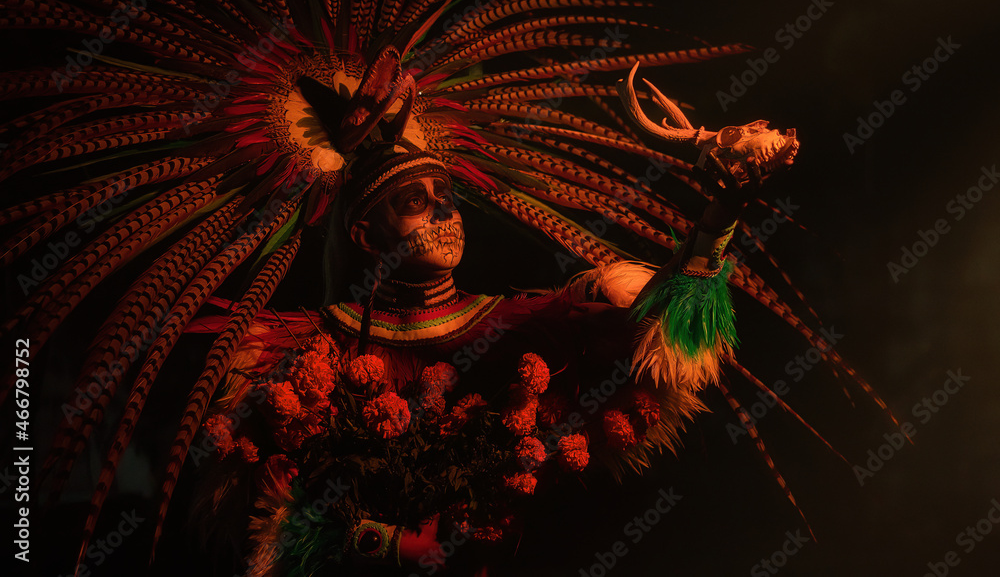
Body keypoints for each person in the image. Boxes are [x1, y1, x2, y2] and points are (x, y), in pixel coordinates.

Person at [190, 130, 794, 575]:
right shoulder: (297, 356)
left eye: (446, 193)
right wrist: (391, 544)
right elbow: (263, 529)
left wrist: (718, 218)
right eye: (415, 200)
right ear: (363, 232)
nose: (446, 210)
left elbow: (659, 339)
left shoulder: (530, 331)